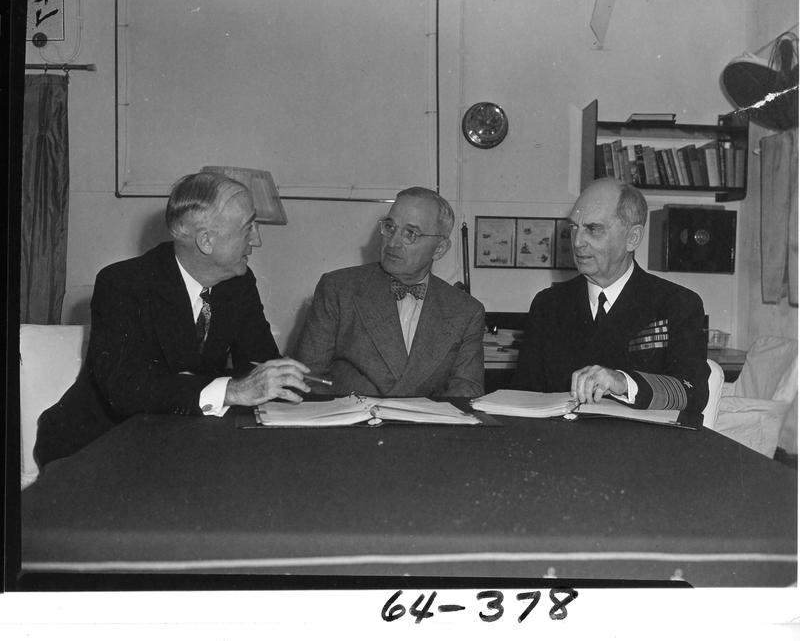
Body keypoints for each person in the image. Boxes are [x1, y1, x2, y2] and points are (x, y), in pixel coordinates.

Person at [34, 172, 311, 468]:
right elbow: (126, 390)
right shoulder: (123, 284)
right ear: (206, 241)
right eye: (248, 228)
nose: (257, 238)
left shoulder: (238, 284)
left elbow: (258, 363)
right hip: (94, 447)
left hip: (177, 442)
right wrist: (233, 390)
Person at [510, 177, 710, 424]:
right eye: (574, 228)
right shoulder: (548, 305)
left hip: (641, 452)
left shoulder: (677, 304)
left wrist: (623, 382)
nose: (577, 242)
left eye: (593, 229)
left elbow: (693, 393)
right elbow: (524, 398)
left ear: (632, 238)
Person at [294, 186, 485, 398]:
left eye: (410, 233)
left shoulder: (466, 310)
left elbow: (466, 390)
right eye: (390, 227)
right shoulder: (339, 289)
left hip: (425, 429)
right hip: (350, 426)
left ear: (440, 249)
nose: (392, 242)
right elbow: (307, 379)